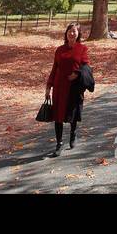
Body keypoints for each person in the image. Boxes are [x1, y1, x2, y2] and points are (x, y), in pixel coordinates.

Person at [44, 23, 92, 156]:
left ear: (78, 34)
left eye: (75, 31)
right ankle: (58, 144)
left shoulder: (82, 49)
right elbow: (54, 69)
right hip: (59, 87)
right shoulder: (59, 50)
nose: (72, 33)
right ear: (66, 33)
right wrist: (49, 87)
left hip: (74, 87)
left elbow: (87, 67)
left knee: (73, 113)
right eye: (70, 31)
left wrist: (77, 74)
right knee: (58, 116)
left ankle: (73, 134)